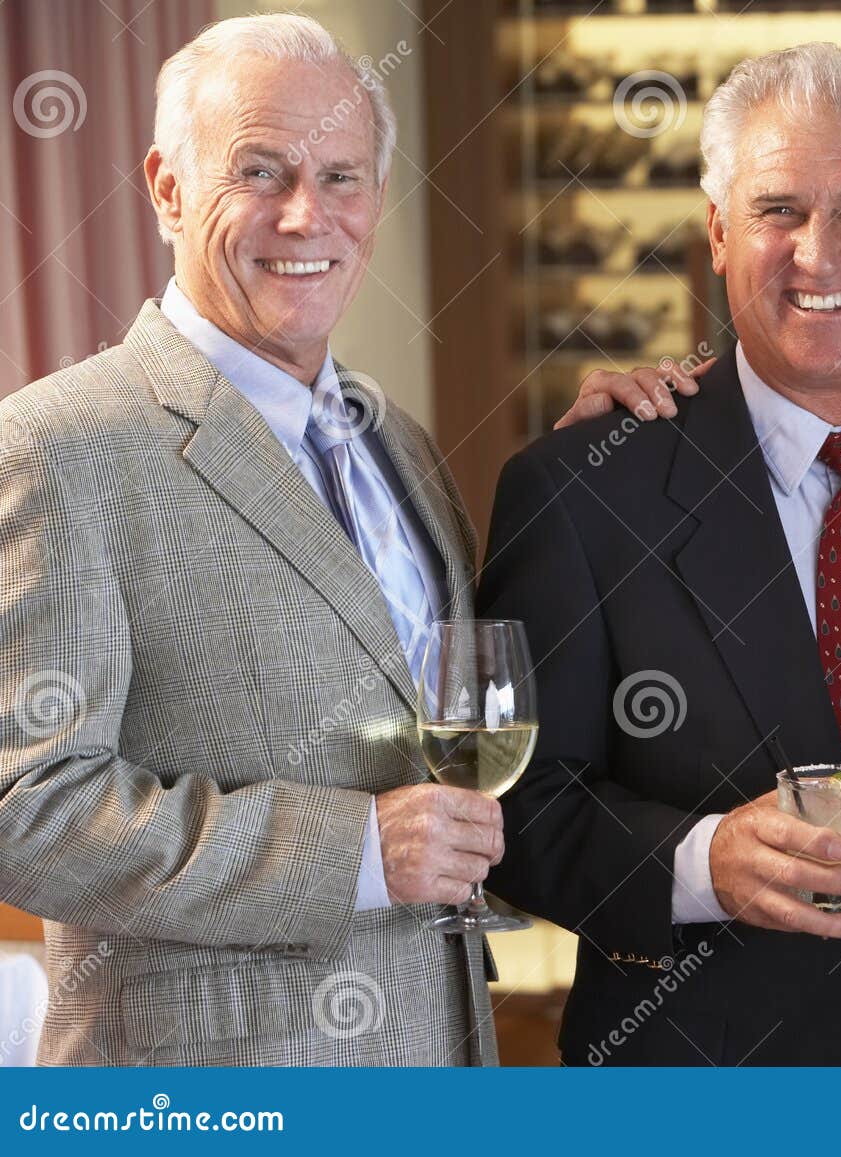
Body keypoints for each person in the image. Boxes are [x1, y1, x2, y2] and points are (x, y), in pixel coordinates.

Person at [481, 42, 841, 1065]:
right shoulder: (587, 488)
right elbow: (513, 810)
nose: (820, 249)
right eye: (778, 210)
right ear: (717, 234)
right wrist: (699, 862)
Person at [0, 14, 502, 1066]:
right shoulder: (54, 445)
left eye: (342, 175)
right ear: (167, 187)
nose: (305, 213)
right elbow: (25, 809)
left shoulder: (396, 442)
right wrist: (353, 854)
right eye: (259, 170)